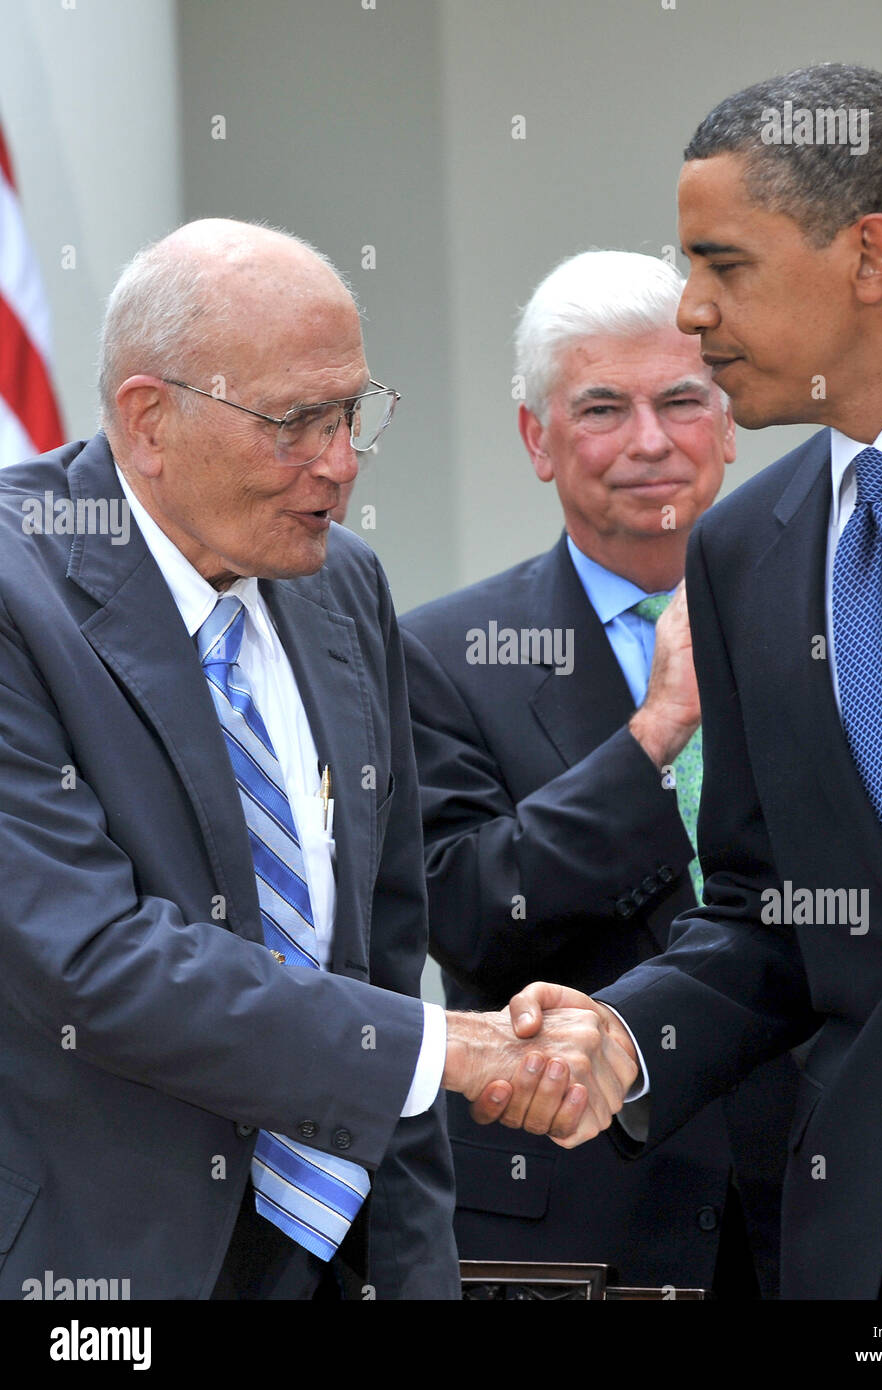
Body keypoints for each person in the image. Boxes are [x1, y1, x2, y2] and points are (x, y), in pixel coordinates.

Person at [484, 63, 882, 1300]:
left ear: (871, 254)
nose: (688, 312)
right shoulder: (743, 552)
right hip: (862, 1234)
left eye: (720, 264)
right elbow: (764, 914)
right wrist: (625, 1037)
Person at [0, 218, 633, 1301]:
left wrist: (415, 1267)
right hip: (107, 1270)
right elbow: (93, 959)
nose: (339, 465)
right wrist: (448, 1050)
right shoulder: (22, 598)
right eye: (294, 423)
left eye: (351, 413)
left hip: (346, 1255)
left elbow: (385, 952)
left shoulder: (342, 585)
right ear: (149, 420)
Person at [402, 250, 797, 1294]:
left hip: (814, 1187)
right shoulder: (440, 651)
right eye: (601, 409)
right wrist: (654, 732)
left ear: (725, 420)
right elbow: (465, 910)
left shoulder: (833, 617)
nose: (649, 442)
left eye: (679, 400)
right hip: (573, 1208)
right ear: (537, 438)